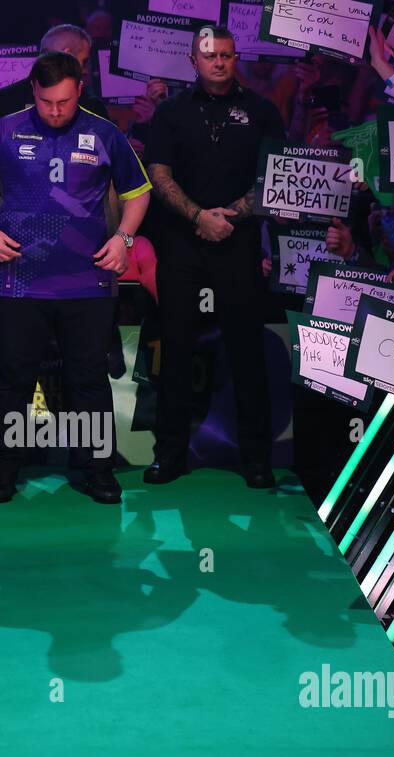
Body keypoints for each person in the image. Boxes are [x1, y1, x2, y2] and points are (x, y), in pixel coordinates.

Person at [0, 51, 150, 505]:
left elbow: (138, 192)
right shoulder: (6, 128)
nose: (56, 110)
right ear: (33, 92)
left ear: (79, 89)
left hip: (89, 279)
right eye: (47, 102)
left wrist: (123, 238)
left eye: (64, 101)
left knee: (89, 380)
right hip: (18, 279)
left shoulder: (104, 133)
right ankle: (2, 470)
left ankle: (98, 471)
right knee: (10, 378)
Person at [141, 25, 285, 488]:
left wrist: (233, 216)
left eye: (226, 55)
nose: (219, 62)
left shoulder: (263, 111)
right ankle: (170, 455)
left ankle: (257, 459)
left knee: (247, 351)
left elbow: (276, 178)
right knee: (177, 350)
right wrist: (199, 216)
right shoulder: (170, 112)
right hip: (182, 244)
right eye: (210, 56)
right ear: (193, 60)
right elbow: (158, 175)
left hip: (239, 244)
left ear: (235, 56)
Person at [0, 23, 107, 152]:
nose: (85, 71)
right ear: (68, 55)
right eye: (84, 61)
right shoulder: (0, 102)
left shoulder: (92, 106)